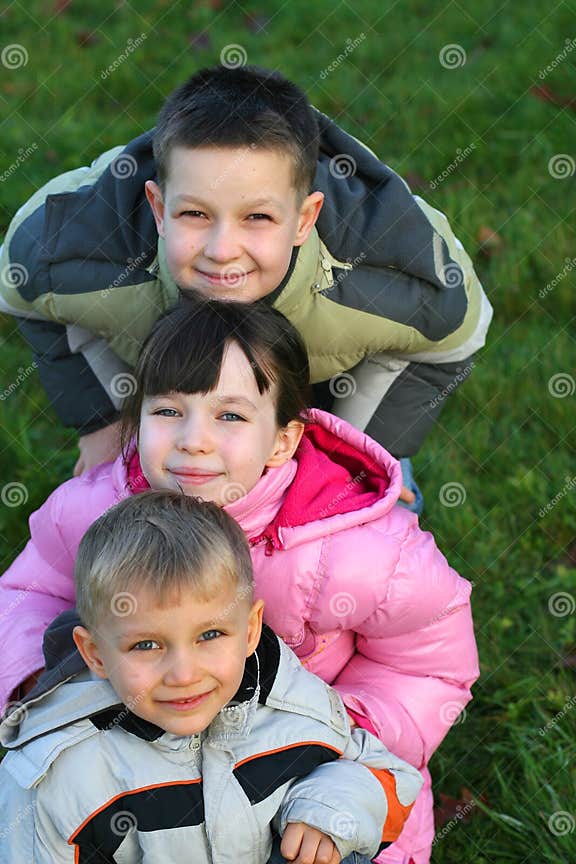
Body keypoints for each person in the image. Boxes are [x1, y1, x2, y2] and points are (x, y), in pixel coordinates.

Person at [0, 296, 479, 864]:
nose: (193, 440)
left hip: (298, 759)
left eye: (230, 415)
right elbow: (29, 593)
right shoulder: (94, 512)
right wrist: (33, 682)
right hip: (141, 725)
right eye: (168, 411)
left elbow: (428, 662)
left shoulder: (362, 550)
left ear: (283, 439)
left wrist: (336, 727)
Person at [0, 64, 492, 510]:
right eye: (194, 214)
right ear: (157, 208)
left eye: (257, 217)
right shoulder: (77, 254)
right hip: (183, 378)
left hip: (331, 371)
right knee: (121, 507)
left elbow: (458, 335)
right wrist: (100, 420)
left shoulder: (383, 279)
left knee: (355, 503)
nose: (222, 249)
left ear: (304, 220)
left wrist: (360, 449)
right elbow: (17, 289)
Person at [0, 491, 424, 863]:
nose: (184, 674)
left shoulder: (291, 703)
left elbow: (390, 776)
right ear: (95, 654)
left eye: (210, 634)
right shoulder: (56, 776)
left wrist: (328, 808)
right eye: (146, 646)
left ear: (251, 630)